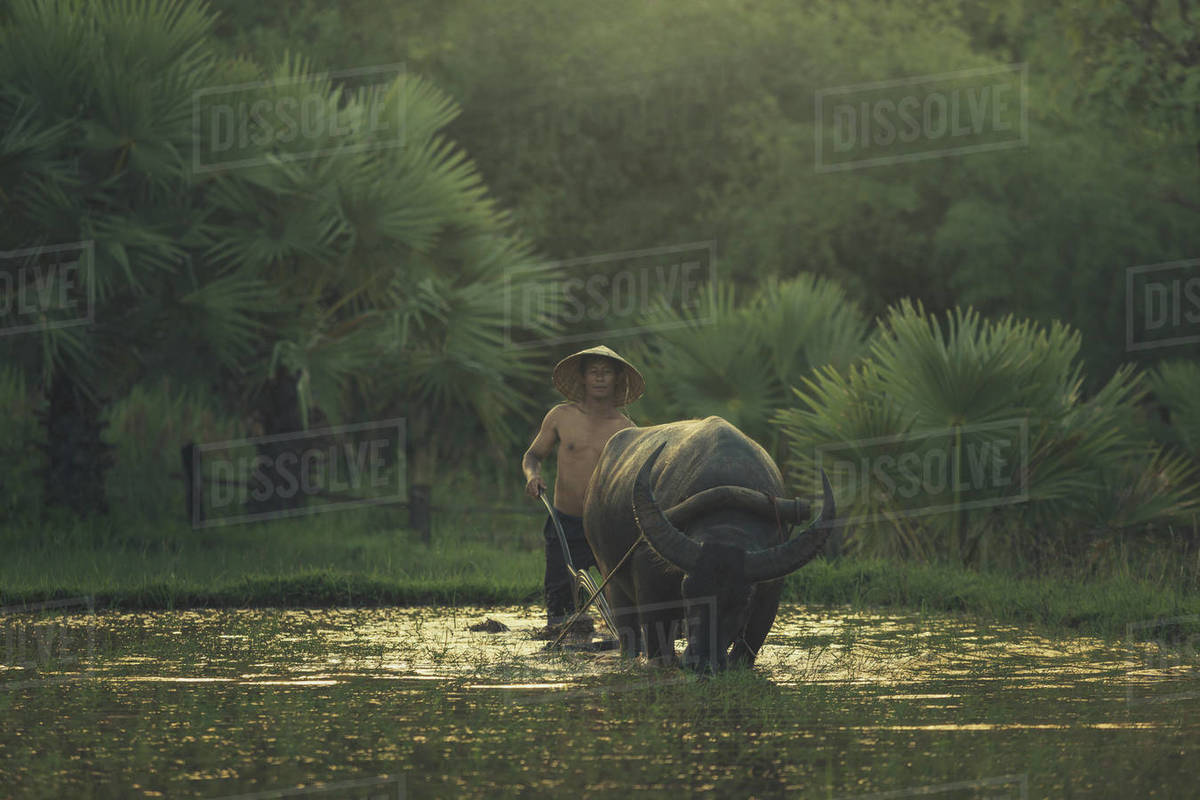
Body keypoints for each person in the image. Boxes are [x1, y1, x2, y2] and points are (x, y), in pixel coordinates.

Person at [522, 345, 644, 637]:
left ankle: (621, 645)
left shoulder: (626, 429)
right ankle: (565, 650)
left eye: (606, 373)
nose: (600, 379)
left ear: (616, 379)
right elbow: (532, 456)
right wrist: (532, 477)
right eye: (594, 373)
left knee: (620, 599)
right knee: (559, 603)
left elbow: (634, 479)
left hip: (607, 526)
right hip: (565, 522)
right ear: (584, 378)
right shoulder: (561, 416)